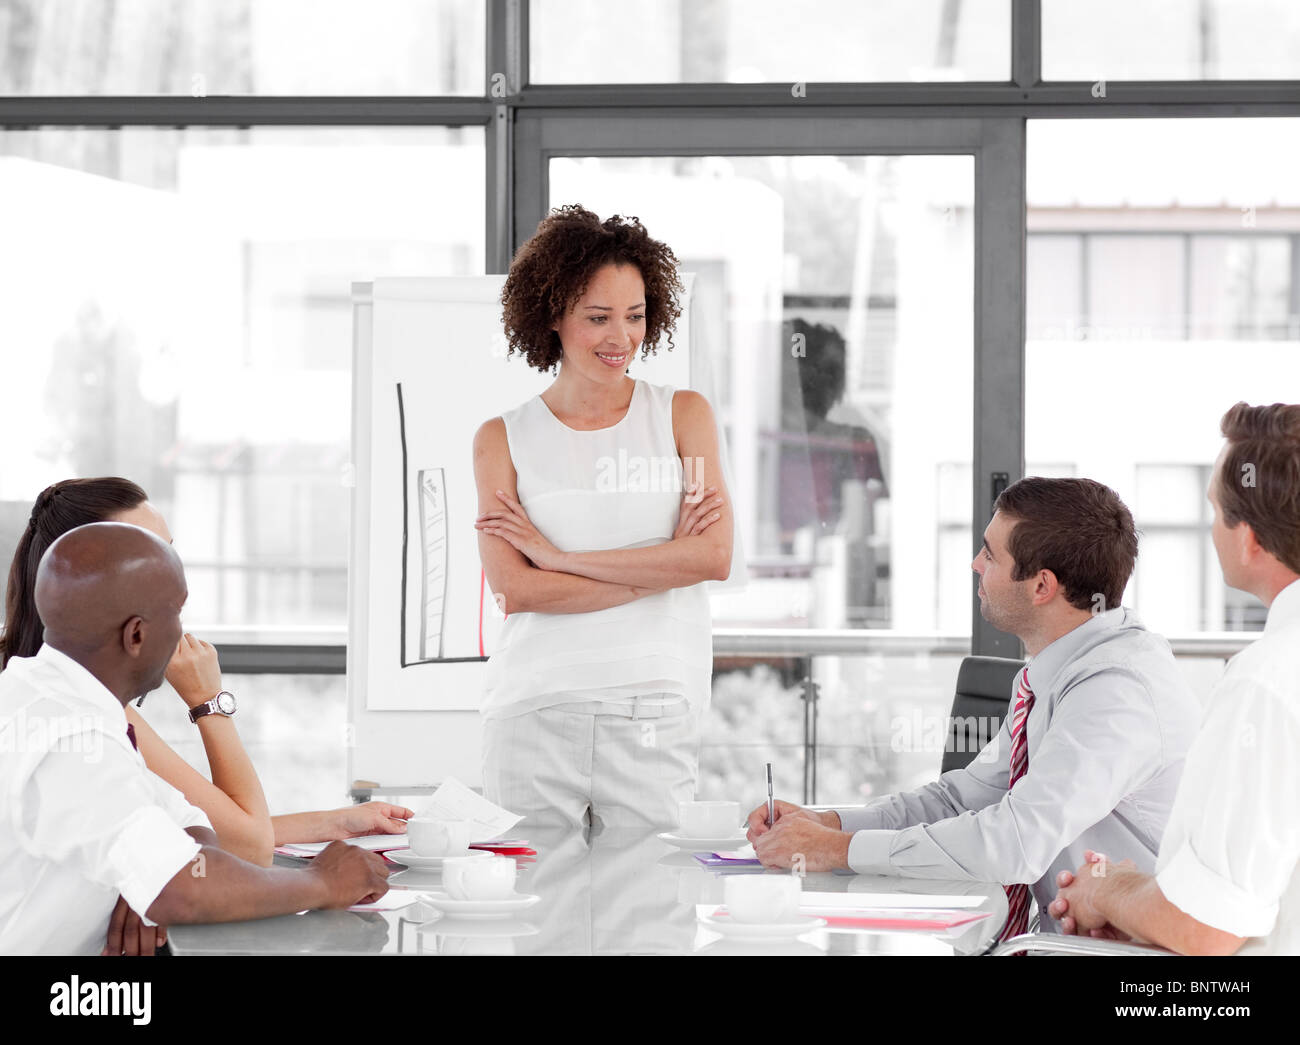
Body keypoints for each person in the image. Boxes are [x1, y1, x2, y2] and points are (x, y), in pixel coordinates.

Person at [745, 476, 1201, 940]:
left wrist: (839, 850)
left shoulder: (1115, 693)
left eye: (991, 554)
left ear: (1042, 586)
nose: (975, 564)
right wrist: (831, 823)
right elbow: (959, 800)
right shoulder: (1056, 673)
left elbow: (1013, 842)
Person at [0, 522, 389, 955]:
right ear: (136, 635)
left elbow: (183, 819)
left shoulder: (45, 695)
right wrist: (322, 882)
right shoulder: (69, 739)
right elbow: (183, 889)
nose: (185, 634)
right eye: (177, 613)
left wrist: (156, 869)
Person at [473, 204, 733, 831]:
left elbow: (712, 558)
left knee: (650, 911)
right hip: (533, 709)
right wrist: (661, 565)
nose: (621, 337)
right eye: (598, 317)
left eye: (635, 316)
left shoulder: (682, 416)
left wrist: (561, 559)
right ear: (553, 316)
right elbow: (516, 589)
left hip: (655, 707)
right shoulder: (501, 438)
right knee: (529, 915)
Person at [1, 478, 412, 865]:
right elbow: (249, 846)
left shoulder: (47, 679)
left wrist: (335, 823)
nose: (174, 575)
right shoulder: (83, 704)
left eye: (169, 551)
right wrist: (207, 701)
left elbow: (204, 826)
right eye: (148, 556)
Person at [1050, 402, 1300, 955]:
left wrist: (1108, 890)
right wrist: (1137, 903)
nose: (1211, 529)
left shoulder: (1267, 682)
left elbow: (1205, 932)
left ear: (1250, 539)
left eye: (1215, 510)